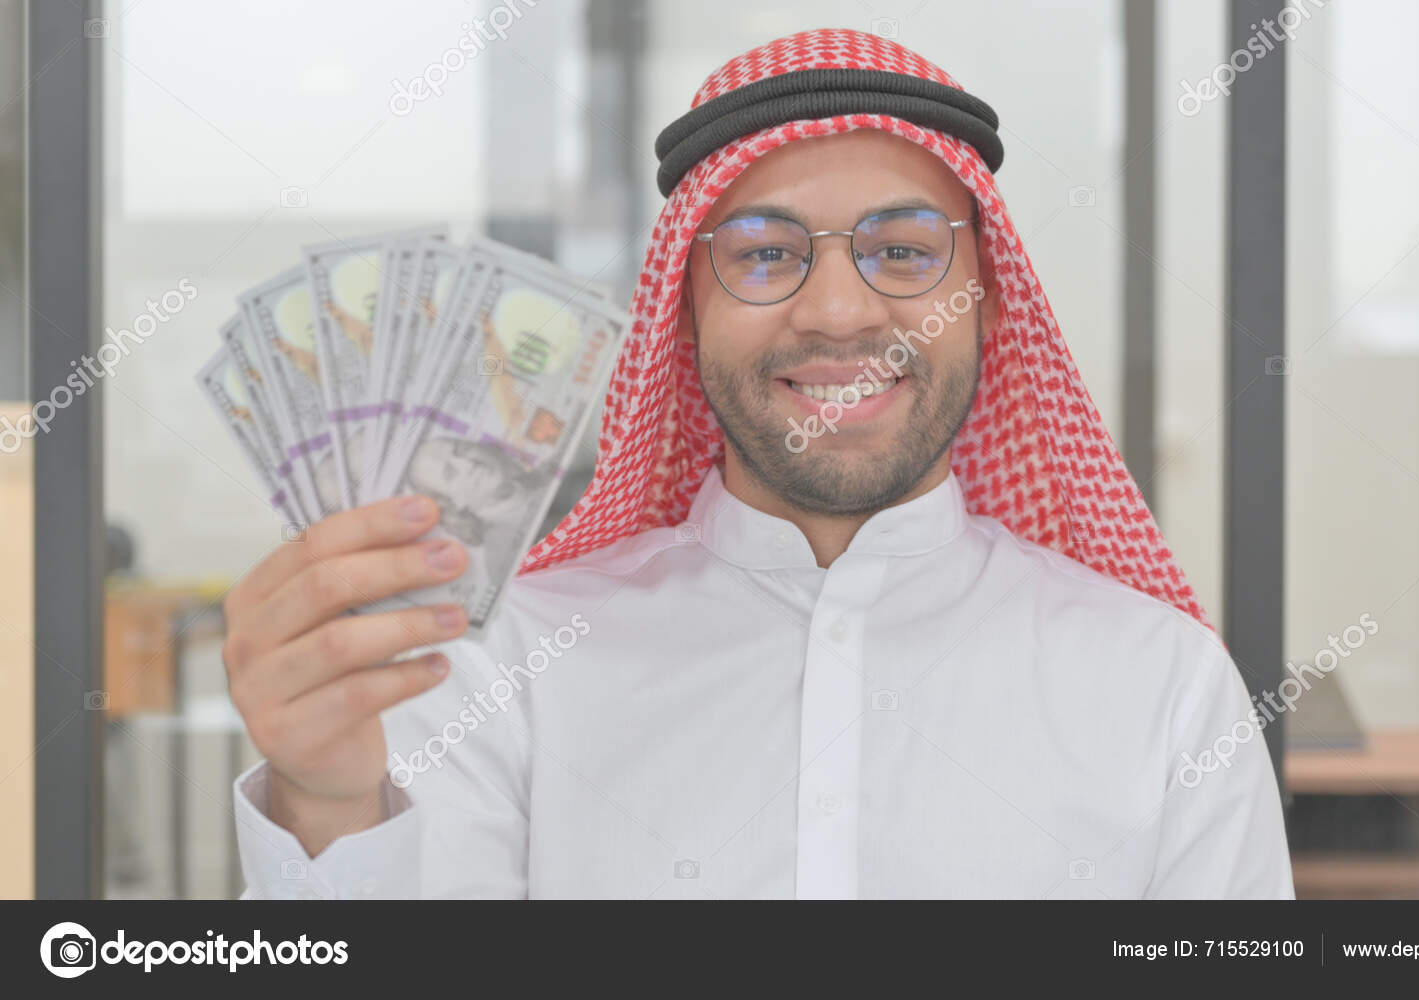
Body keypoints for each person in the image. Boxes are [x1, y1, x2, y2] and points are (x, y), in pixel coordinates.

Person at [222, 29, 1293, 899]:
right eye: (765, 254)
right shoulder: (508, 666)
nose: (837, 310)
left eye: (907, 252)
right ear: (682, 310)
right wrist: (322, 801)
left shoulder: (1161, 685)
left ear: (992, 301)